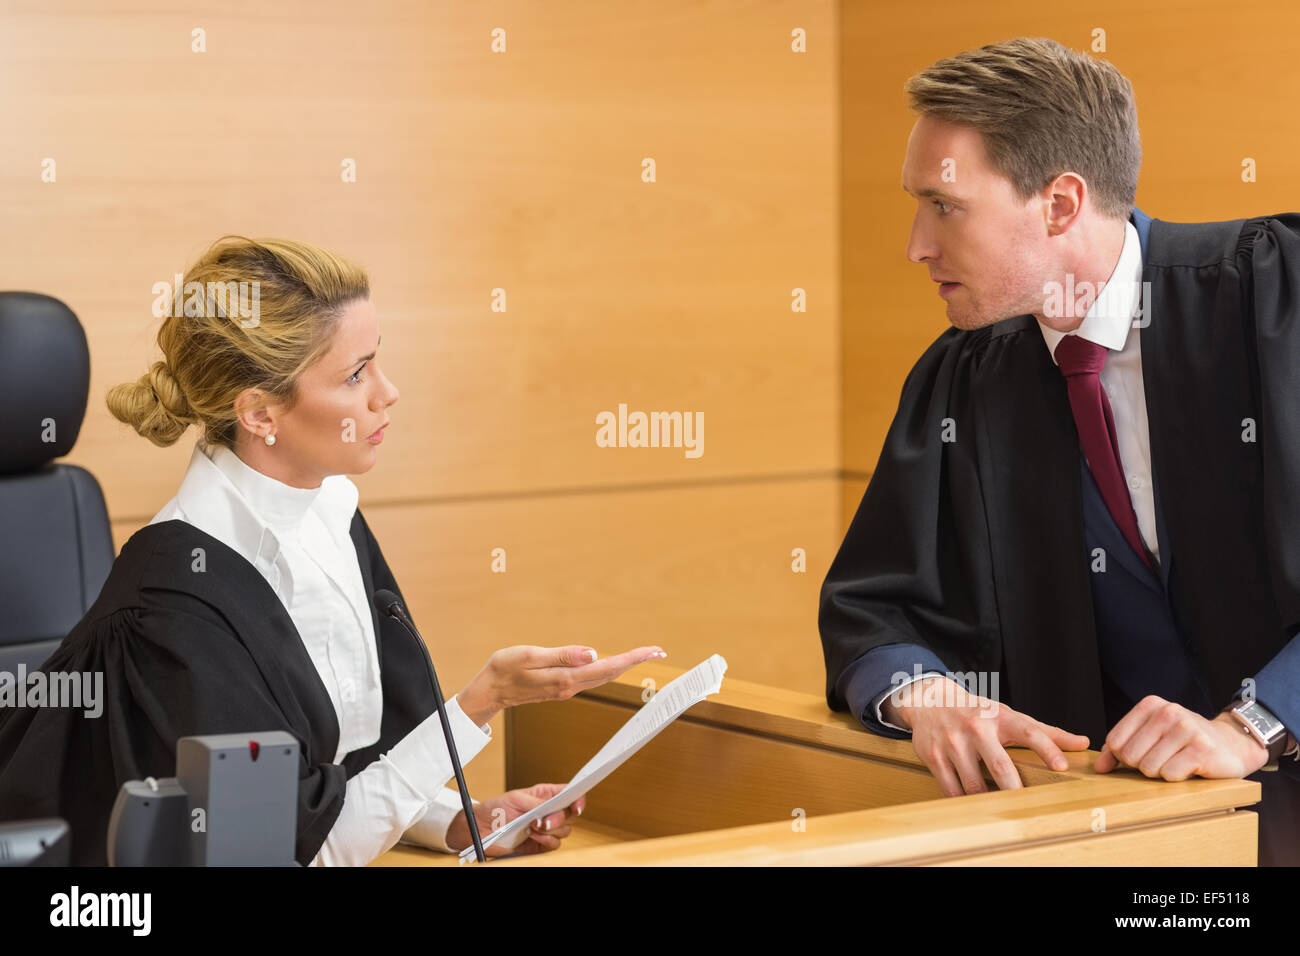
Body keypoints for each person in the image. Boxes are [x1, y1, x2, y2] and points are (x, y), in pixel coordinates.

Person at [0, 236, 666, 866]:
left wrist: (460, 821)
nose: (388, 391)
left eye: (377, 357)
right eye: (355, 374)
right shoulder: (174, 601)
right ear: (260, 413)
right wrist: (482, 699)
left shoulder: (331, 510)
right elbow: (297, 849)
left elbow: (349, 772)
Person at [819, 37, 1300, 866]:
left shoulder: (1278, 299)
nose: (916, 246)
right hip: (1118, 841)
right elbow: (875, 608)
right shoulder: (967, 377)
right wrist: (924, 693)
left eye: (944, 205)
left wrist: (1258, 722)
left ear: (1061, 203)